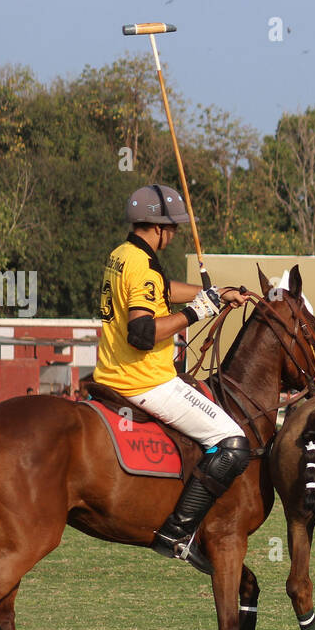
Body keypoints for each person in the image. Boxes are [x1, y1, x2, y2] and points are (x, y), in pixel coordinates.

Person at [93, 183, 248, 571]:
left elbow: (161, 290)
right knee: (233, 443)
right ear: (157, 227)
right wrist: (197, 311)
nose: (176, 233)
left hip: (110, 371)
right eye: (173, 226)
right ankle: (177, 532)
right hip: (144, 380)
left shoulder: (123, 254)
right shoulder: (142, 265)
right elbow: (142, 334)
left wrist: (213, 292)